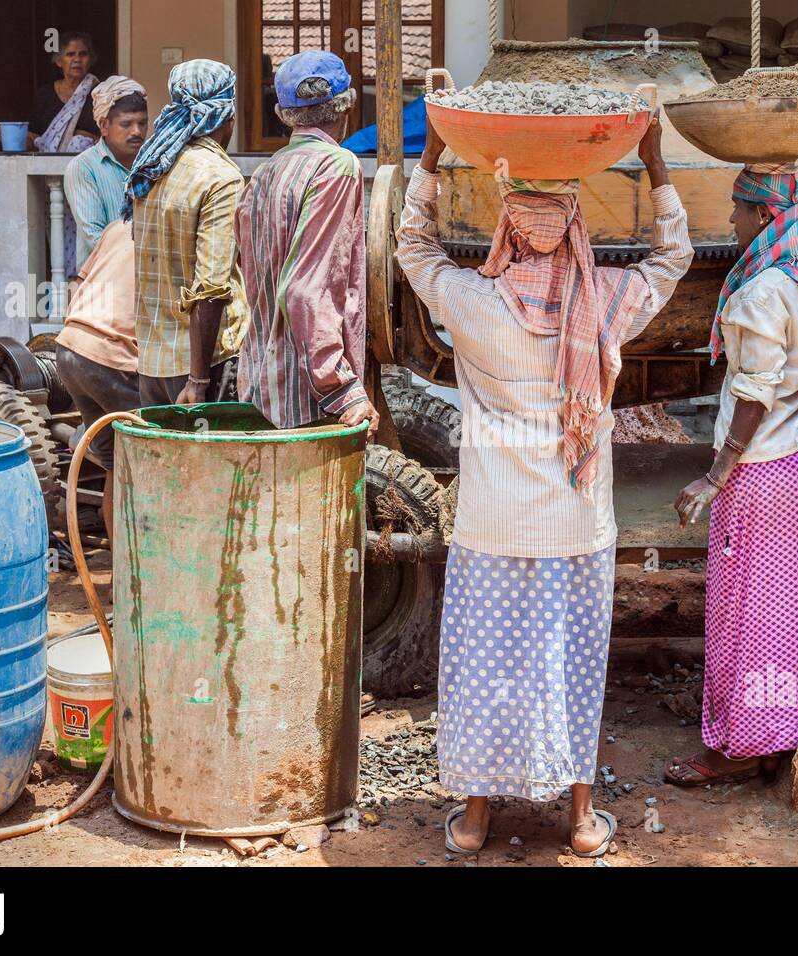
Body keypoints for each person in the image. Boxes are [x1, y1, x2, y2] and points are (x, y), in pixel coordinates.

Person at [396, 115, 693, 856]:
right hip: (574, 524)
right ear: (570, 226)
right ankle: (581, 822)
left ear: (510, 228)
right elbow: (676, 257)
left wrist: (429, 159)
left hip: (492, 526)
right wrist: (655, 166)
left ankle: (473, 820)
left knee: (485, 668)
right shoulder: (610, 301)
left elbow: (412, 246)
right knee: (571, 664)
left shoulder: (468, 302)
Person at [666, 161, 798, 788]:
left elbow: (755, 392)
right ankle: (775, 739)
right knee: (784, 612)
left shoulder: (761, 291)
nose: (731, 219)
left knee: (744, 612)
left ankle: (734, 750)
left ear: (764, 215)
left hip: (757, 475)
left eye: (739, 208)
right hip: (793, 465)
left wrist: (713, 477)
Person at [235, 50, 377, 433]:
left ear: (284, 115)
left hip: (260, 383)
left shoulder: (262, 175)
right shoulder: (337, 166)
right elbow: (305, 291)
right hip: (308, 397)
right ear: (345, 108)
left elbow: (254, 280)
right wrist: (343, 388)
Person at [125, 59, 248, 407]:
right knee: (222, 463)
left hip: (153, 364)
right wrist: (198, 380)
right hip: (205, 365)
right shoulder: (221, 177)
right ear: (227, 117)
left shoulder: (151, 166)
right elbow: (210, 289)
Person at [54, 220, 139, 539]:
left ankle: (121, 581)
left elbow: (77, 284)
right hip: (111, 356)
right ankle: (143, 578)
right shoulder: (164, 222)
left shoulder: (120, 224)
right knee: (151, 458)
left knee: (116, 466)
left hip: (70, 344)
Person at [29, 31, 101, 277]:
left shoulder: (98, 94)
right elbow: (33, 135)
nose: (77, 59)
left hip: (86, 182)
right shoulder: (45, 95)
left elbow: (109, 135)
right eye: (70, 54)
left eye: (83, 54)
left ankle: (81, 280)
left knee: (86, 230)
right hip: (53, 182)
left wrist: (83, 138)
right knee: (56, 234)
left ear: (90, 59)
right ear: (58, 60)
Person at [64, 76, 148, 270]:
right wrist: (151, 256)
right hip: (104, 282)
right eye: (126, 124)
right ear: (103, 126)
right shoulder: (83, 167)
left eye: (142, 123)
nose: (137, 131)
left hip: (150, 282)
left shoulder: (154, 164)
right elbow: (96, 238)